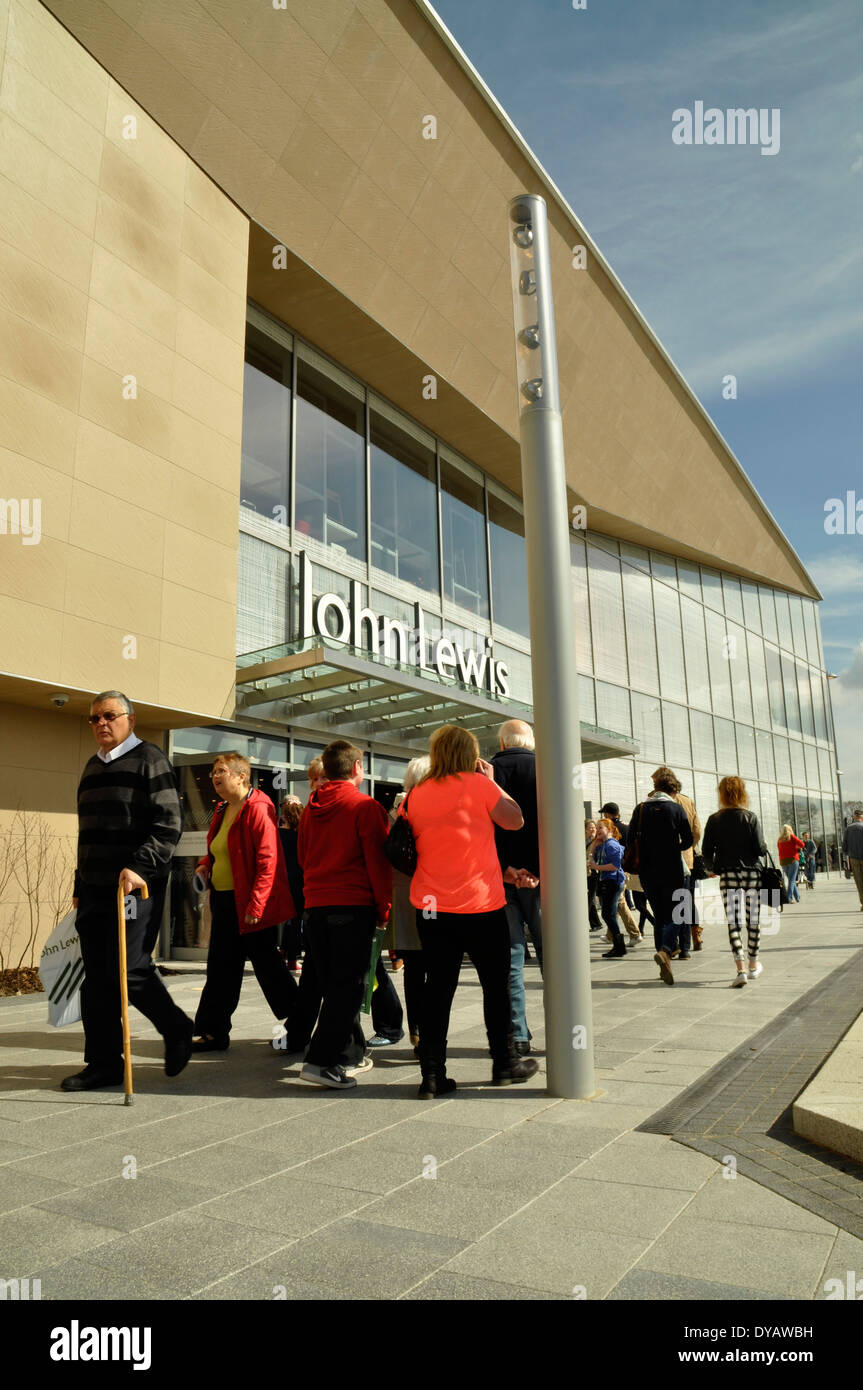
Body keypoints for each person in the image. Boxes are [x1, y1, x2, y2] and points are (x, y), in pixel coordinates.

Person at [63, 691, 193, 1091]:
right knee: (97, 979)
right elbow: (88, 835)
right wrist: (79, 884)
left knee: (130, 969)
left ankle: (177, 1029)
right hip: (95, 890)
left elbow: (169, 824)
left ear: (130, 720)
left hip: (136, 889)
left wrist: (139, 866)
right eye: (94, 718)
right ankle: (104, 1064)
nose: (101, 723)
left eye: (109, 715)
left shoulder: (150, 760)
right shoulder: (91, 767)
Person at [402, 724, 538, 1098]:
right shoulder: (479, 785)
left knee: (437, 988)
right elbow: (515, 819)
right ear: (470, 753)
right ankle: (505, 1062)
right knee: (495, 987)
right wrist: (493, 783)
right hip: (481, 904)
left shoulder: (415, 794)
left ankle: (432, 1075)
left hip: (430, 907)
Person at [297, 740, 392, 1089]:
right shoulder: (365, 807)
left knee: (332, 985)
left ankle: (347, 1054)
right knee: (349, 988)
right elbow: (377, 865)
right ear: (355, 769)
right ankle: (320, 1061)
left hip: (316, 906)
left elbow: (304, 858)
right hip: (352, 905)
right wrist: (383, 909)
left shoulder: (310, 808)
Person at [192, 754, 298, 1051]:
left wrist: (256, 904)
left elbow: (269, 861)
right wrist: (204, 863)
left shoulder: (258, 807)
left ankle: (300, 1026)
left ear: (241, 776)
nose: (215, 776)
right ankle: (213, 1032)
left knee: (269, 969)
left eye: (222, 771)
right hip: (225, 901)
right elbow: (219, 847)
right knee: (221, 968)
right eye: (213, 772)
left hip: (250, 905)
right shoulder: (222, 809)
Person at [491, 719, 542, 1056]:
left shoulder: (489, 772)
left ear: (502, 742)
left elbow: (485, 828)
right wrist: (535, 871)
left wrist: (506, 869)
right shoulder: (547, 768)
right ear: (531, 742)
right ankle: (566, 1028)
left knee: (511, 959)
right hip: (541, 880)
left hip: (501, 878)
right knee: (554, 956)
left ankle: (518, 1037)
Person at [701, 777, 767, 987]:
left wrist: (711, 868)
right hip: (751, 874)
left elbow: (706, 850)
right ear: (742, 793)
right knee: (753, 919)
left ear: (721, 794)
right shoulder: (750, 817)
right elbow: (760, 849)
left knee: (733, 921)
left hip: (728, 874)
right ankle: (754, 964)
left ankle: (740, 969)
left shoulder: (715, 819)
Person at [629, 768, 693, 986]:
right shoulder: (675, 809)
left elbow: (629, 840)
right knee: (680, 911)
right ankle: (666, 950)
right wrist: (673, 846)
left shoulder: (640, 809)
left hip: (647, 870)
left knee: (659, 916)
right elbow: (688, 840)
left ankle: (663, 961)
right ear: (673, 790)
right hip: (672, 868)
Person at [386, 755, 431, 1051]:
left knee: (414, 970)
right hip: (433, 898)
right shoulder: (434, 808)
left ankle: (416, 1030)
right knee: (435, 970)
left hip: (404, 899)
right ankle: (429, 1034)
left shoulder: (397, 811)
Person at [588, 819, 627, 959]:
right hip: (606, 881)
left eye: (601, 828)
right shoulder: (602, 845)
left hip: (613, 882)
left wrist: (597, 867)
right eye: (597, 828)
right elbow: (591, 858)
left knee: (608, 914)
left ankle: (619, 945)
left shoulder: (612, 845)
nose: (598, 830)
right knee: (608, 914)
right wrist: (594, 844)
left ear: (609, 830)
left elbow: (615, 865)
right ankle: (618, 945)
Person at [278, 796, 305, 970]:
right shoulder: (304, 834)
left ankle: (285, 951)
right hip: (301, 880)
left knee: (287, 918)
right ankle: (292, 957)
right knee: (296, 919)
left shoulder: (278, 834)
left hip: (282, 879)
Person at [777, 825, 805, 903]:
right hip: (793, 860)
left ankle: (797, 897)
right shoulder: (791, 837)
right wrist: (796, 848)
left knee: (791, 879)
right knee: (792, 880)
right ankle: (788, 898)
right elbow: (802, 844)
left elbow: (779, 849)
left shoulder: (779, 839)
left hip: (783, 861)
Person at [584, 820, 604, 932]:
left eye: (594, 828)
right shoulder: (583, 840)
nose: (593, 830)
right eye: (590, 827)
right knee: (589, 898)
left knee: (589, 897)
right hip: (586, 872)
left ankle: (582, 922)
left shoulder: (597, 841)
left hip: (594, 872)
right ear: (585, 829)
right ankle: (596, 923)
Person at [842, 811, 863, 910]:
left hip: (854, 858)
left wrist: (847, 854)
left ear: (854, 817)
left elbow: (844, 845)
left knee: (859, 881)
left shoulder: (848, 828)